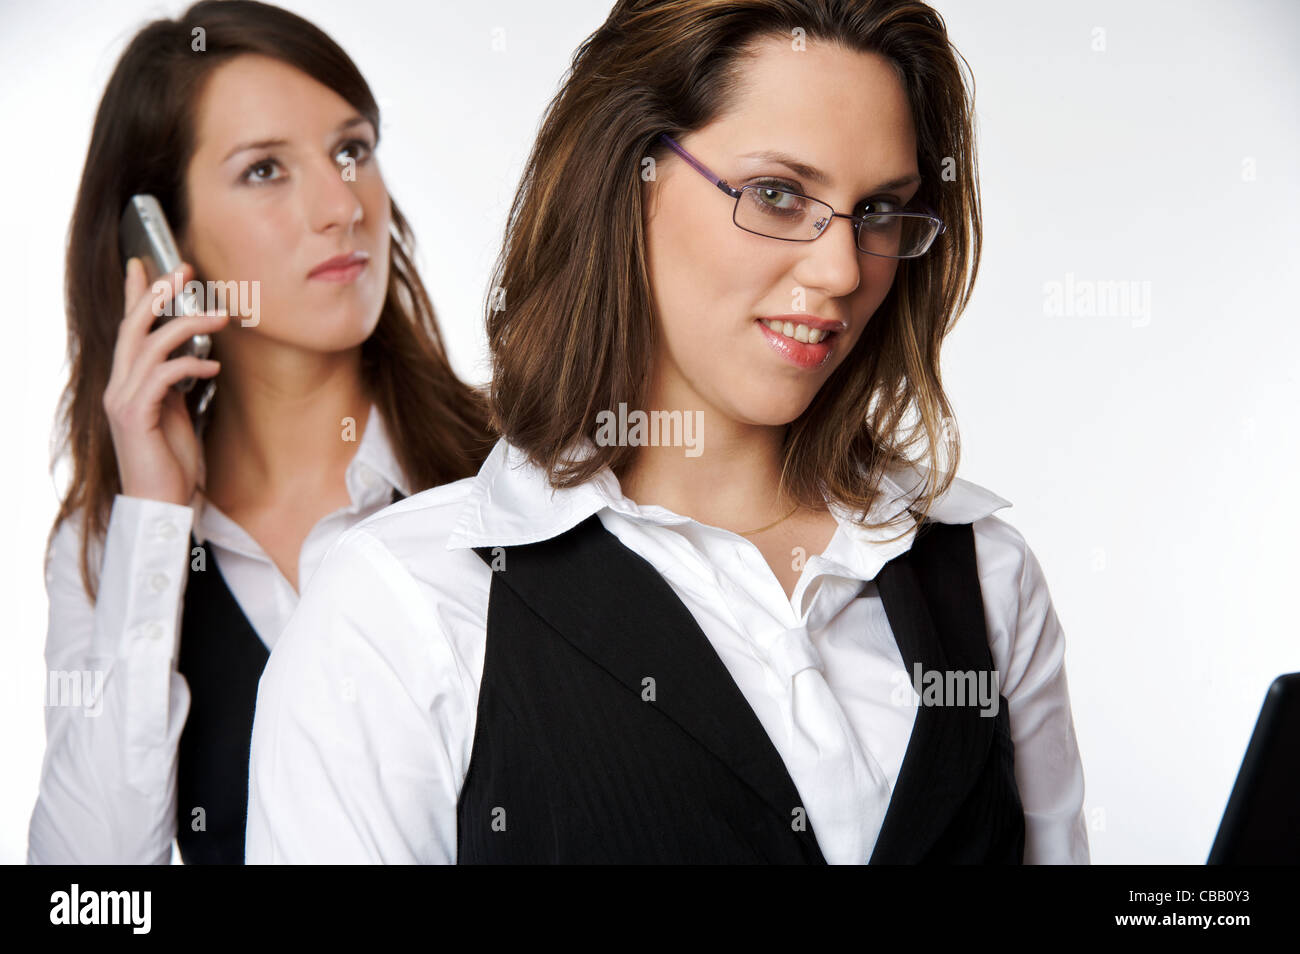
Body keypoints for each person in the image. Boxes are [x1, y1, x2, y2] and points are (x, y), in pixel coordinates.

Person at [246, 0, 1089, 864]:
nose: (841, 270)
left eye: (877, 211)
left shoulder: (986, 575)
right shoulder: (405, 610)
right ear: (627, 177)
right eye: (776, 194)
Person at [28, 0, 493, 864]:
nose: (340, 205)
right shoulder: (108, 550)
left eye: (351, 150)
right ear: (162, 241)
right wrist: (155, 523)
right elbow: (88, 884)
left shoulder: (510, 470)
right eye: (265, 170)